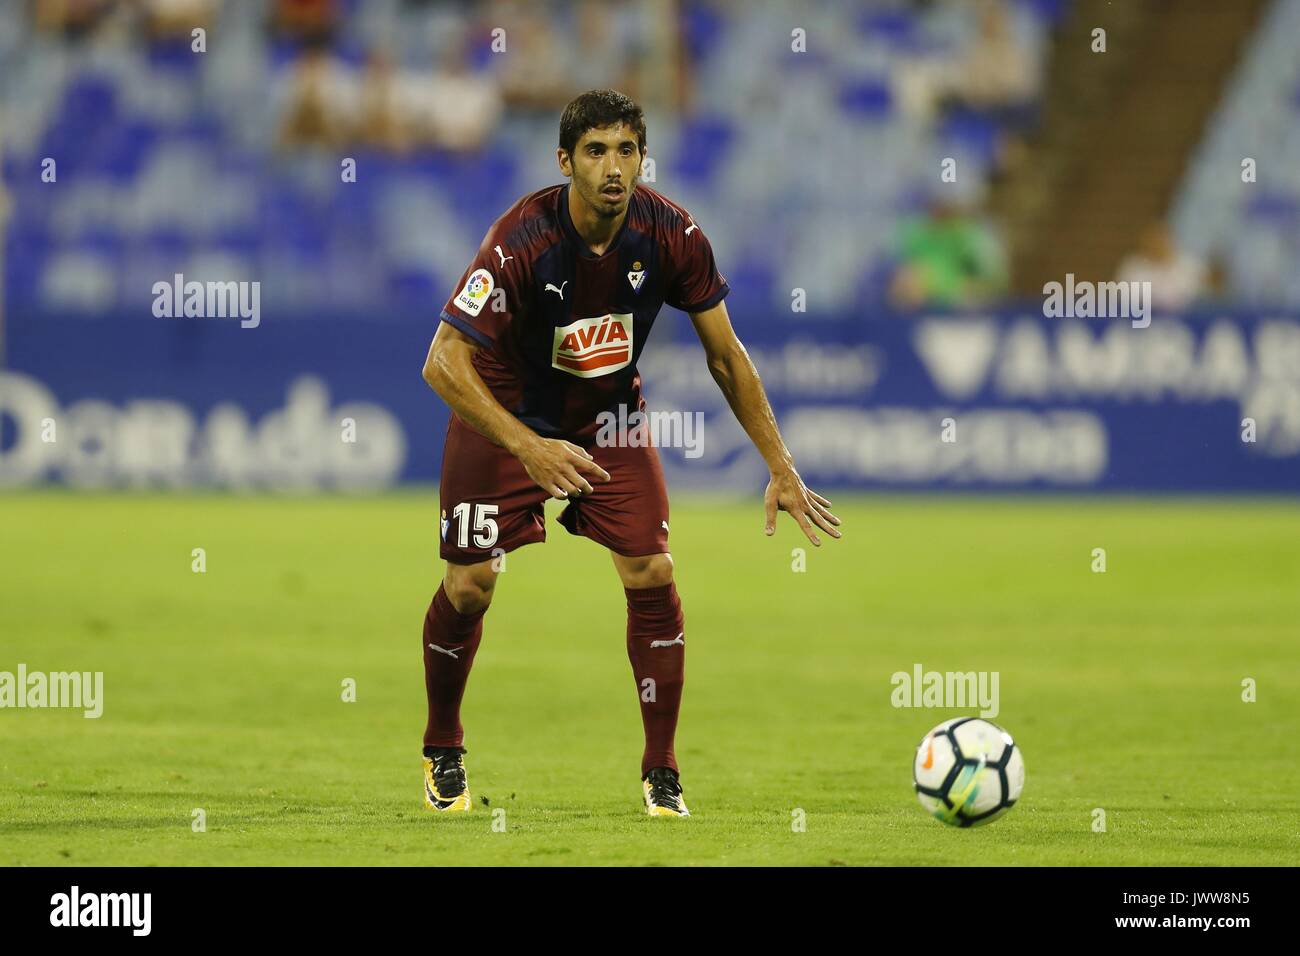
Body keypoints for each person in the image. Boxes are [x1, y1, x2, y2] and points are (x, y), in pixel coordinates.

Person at [419, 89, 841, 817]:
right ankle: (442, 747)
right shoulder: (520, 240)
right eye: (595, 151)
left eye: (626, 150)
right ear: (565, 161)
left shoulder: (674, 234)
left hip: (608, 422)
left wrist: (781, 464)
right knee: (470, 588)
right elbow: (442, 362)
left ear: (644, 157)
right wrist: (528, 446)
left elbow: (728, 358)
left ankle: (662, 771)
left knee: (651, 568)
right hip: (505, 421)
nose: (613, 168)